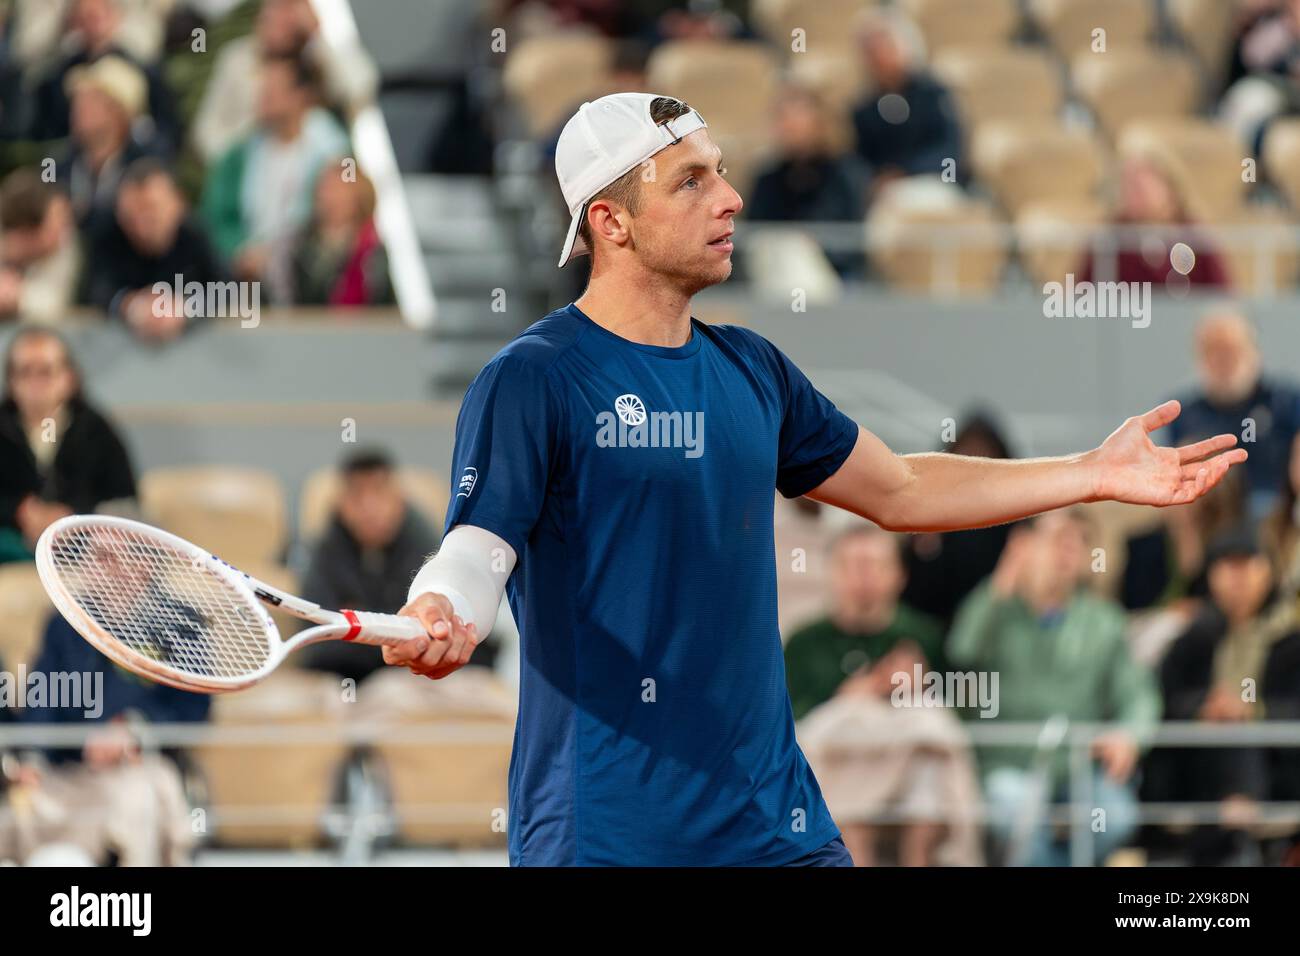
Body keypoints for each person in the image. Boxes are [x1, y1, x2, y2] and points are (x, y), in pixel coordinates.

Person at [381, 92, 1245, 868]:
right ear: (610, 222)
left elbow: (902, 489)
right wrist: (442, 605)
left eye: (719, 173)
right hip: (607, 831)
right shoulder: (535, 377)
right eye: (689, 183)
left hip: (772, 823)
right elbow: (476, 549)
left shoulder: (754, 369)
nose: (729, 198)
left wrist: (1090, 472)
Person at [948, 509, 1162, 866]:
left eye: (1079, 542)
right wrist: (1002, 582)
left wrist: (1129, 735)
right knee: (1018, 815)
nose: (1068, 550)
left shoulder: (1103, 620)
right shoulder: (996, 609)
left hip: (1079, 764)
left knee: (1115, 816)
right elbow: (961, 653)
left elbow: (1138, 695)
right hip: (1007, 764)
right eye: (1056, 539)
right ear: (1024, 546)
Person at [1146, 525, 1300, 864]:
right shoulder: (1194, 639)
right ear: (1212, 576)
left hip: (1278, 768)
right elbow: (1160, 700)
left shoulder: (1290, 639)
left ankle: (1236, 831)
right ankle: (1236, 837)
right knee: (1227, 728)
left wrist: (1252, 711)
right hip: (1200, 769)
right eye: (1227, 566)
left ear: (1267, 570)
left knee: (1239, 731)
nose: (1238, 578)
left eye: (1247, 564)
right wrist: (1204, 708)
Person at [298, 449, 444, 685]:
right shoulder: (324, 549)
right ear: (341, 502)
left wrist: (356, 626)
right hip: (343, 683)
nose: (369, 507)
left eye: (379, 492)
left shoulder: (427, 546)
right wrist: (392, 631)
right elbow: (319, 645)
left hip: (413, 681)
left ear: (398, 498)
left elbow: (434, 633)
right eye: (357, 495)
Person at [200, 52, 349, 282]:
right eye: (262, 89)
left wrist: (280, 253)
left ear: (301, 95)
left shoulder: (334, 152)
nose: (262, 97)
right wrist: (240, 250)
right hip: (245, 277)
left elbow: (339, 212)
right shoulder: (238, 155)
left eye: (272, 91)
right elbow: (218, 216)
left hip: (311, 276)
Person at [0, 326, 136, 561]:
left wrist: (71, 514)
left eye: (45, 371)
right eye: (25, 372)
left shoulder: (95, 429)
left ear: (68, 377)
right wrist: (19, 510)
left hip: (81, 545)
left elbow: (123, 497)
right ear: (11, 381)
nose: (35, 383)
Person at [1166, 309, 1300, 521]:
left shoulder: (1287, 402)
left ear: (1253, 350)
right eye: (1212, 350)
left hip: (1279, 521)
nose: (1223, 360)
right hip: (1210, 522)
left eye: (1231, 349)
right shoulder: (1183, 414)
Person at [82, 158, 229, 341]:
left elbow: (227, 288)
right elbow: (94, 288)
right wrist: (130, 305)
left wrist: (184, 308)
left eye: (152, 211)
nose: (141, 225)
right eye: (131, 215)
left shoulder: (196, 236)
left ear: (178, 204)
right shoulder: (107, 236)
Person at [747, 85, 870, 278]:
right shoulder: (768, 178)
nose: (786, 126)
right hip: (772, 271)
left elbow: (849, 242)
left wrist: (805, 241)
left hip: (834, 277)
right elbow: (753, 232)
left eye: (794, 118)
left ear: (819, 122)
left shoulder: (844, 173)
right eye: (781, 118)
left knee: (791, 251)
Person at [1078, 143, 1231, 290]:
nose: (1133, 191)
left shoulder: (1196, 238)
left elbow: (1224, 302)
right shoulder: (1108, 239)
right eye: (1128, 182)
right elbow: (1079, 300)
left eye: (1141, 183)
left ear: (1169, 184)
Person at [849, 9, 963, 193]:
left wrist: (908, 172)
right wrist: (878, 179)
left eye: (885, 47)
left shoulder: (934, 95)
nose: (880, 57)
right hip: (885, 192)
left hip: (936, 183)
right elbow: (861, 159)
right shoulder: (863, 109)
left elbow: (949, 150)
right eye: (872, 51)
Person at [283, 163, 392, 307]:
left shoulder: (374, 252)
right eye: (324, 188)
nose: (327, 196)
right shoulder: (300, 245)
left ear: (357, 196)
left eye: (337, 189)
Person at [0, 168, 81, 325]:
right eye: (54, 221)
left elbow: (56, 302)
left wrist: (18, 297)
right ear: (22, 234)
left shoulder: (66, 243)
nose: (63, 229)